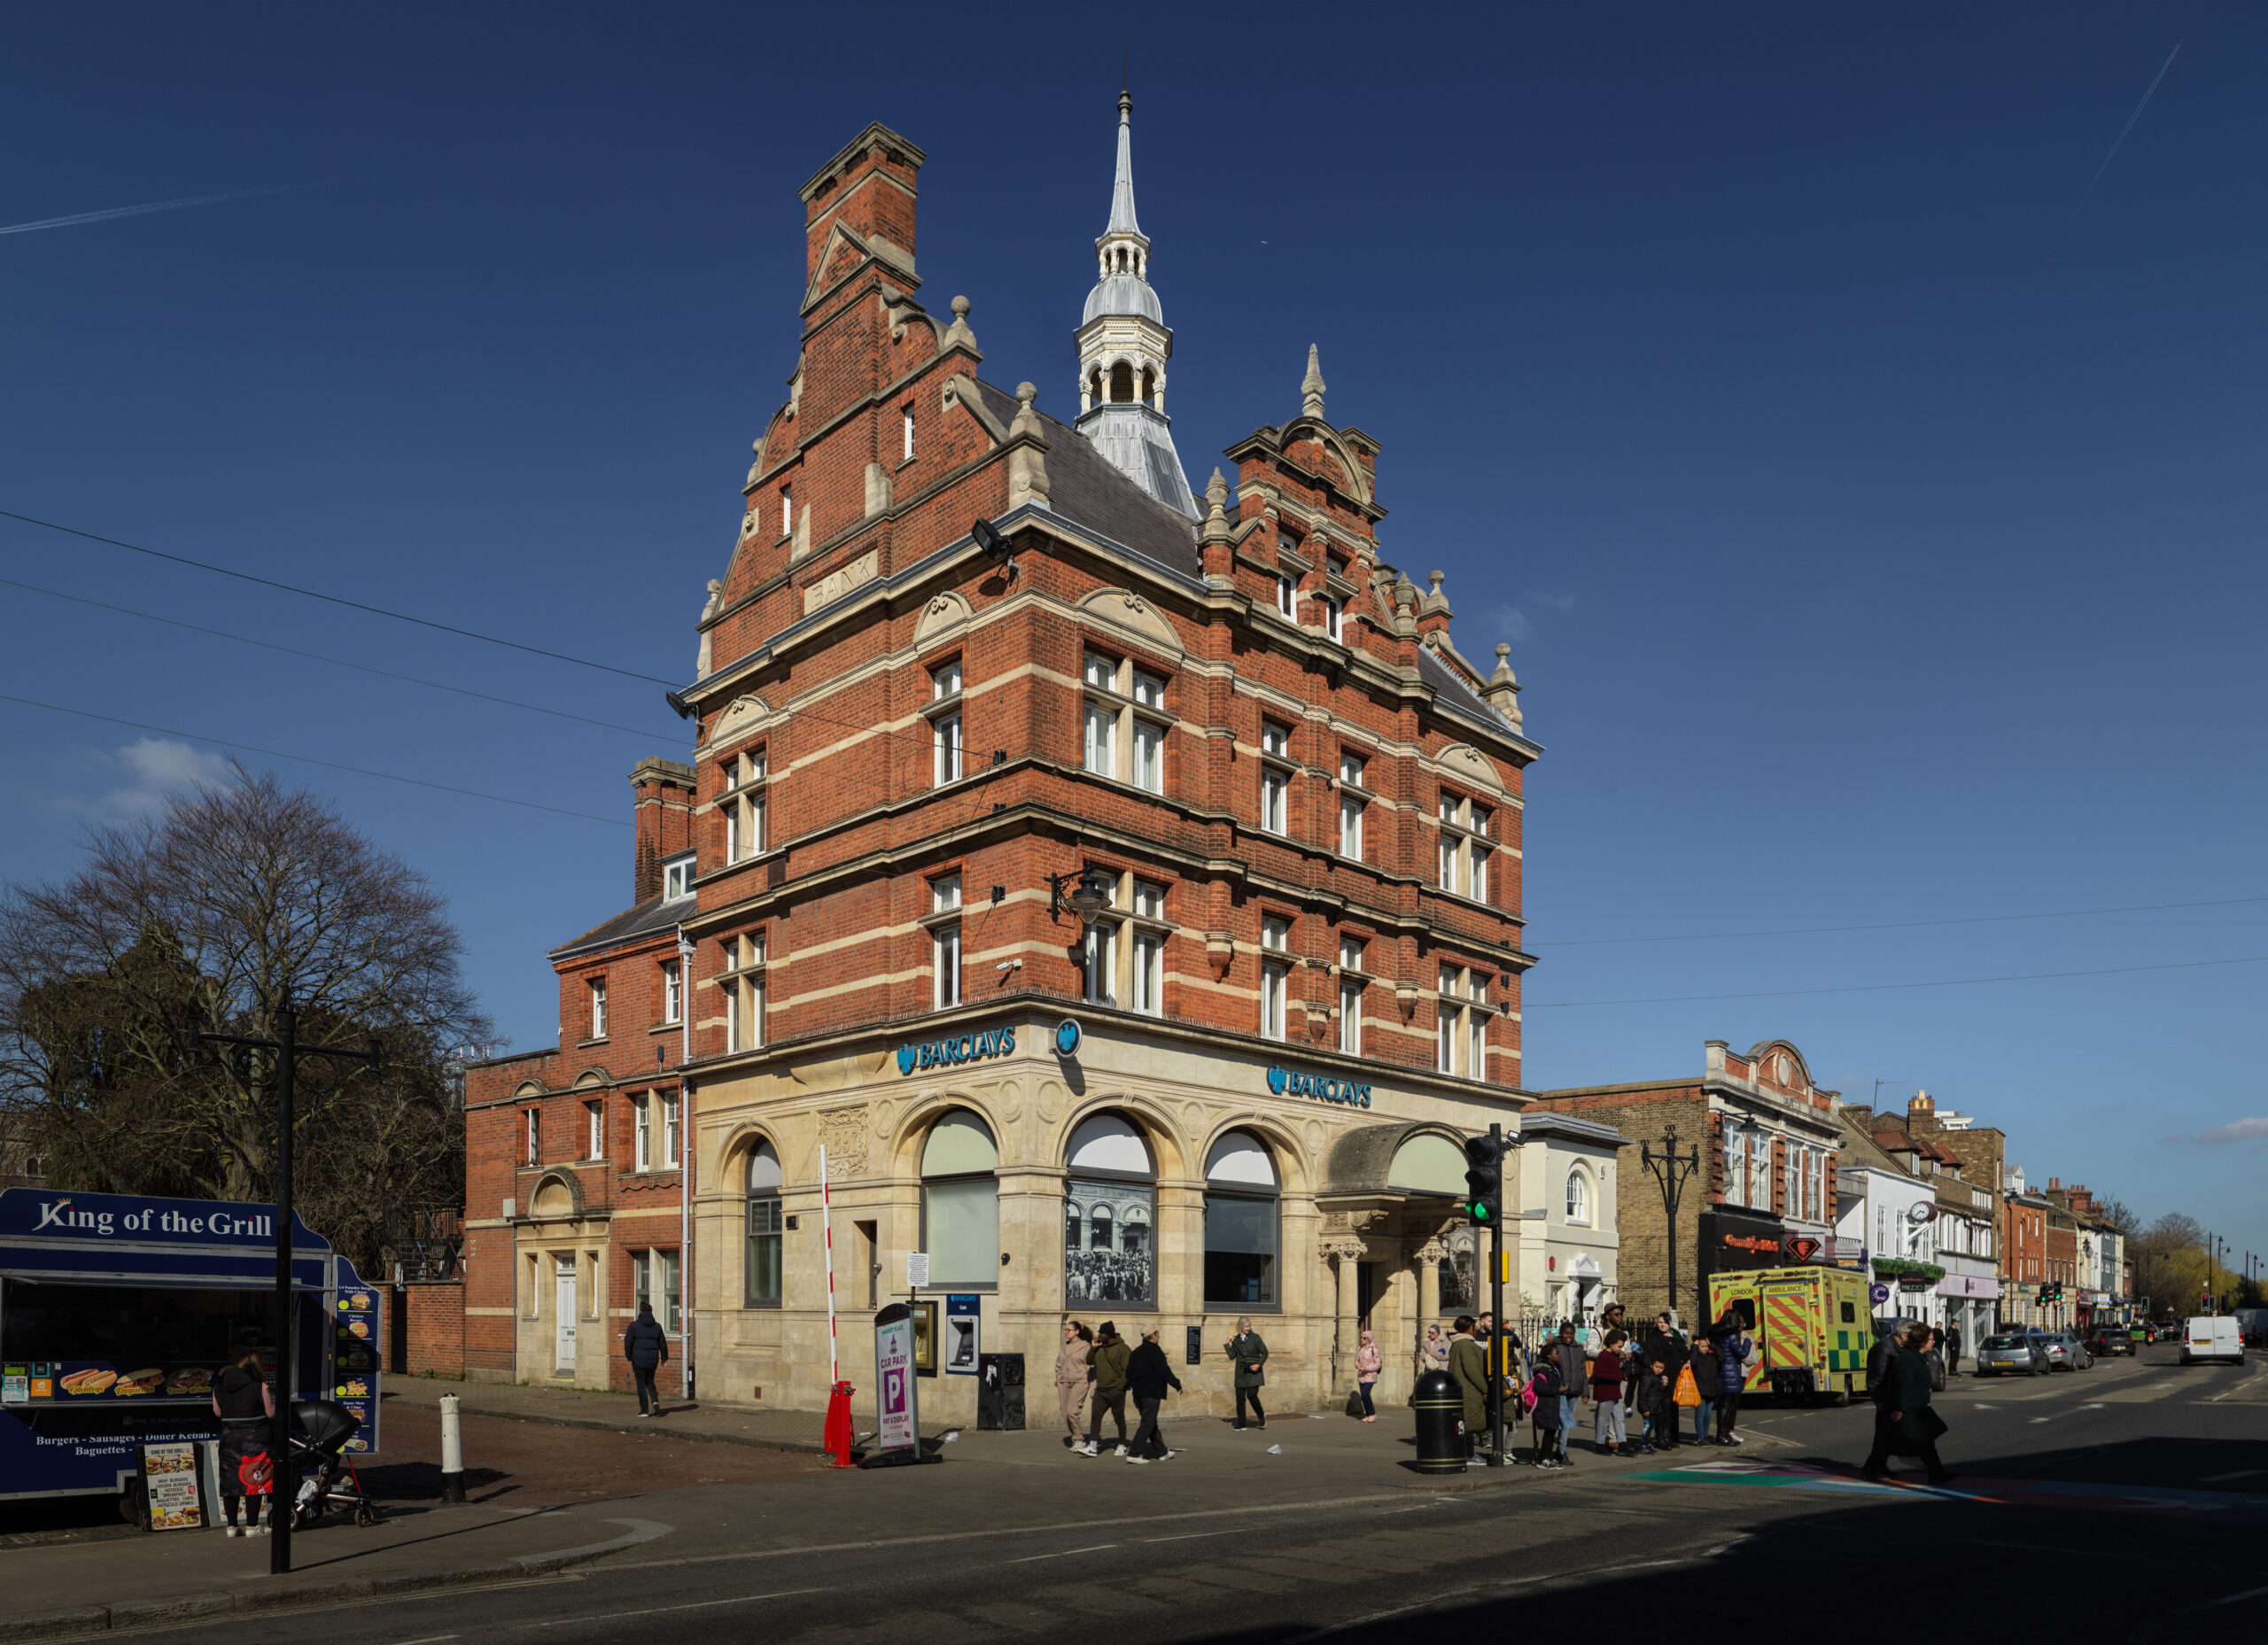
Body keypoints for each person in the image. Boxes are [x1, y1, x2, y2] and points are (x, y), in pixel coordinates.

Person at [1862, 1320, 1952, 1486]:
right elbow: (1879, 1378)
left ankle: (1936, 1473)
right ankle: (1873, 1467)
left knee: (1906, 1440)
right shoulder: (1886, 1350)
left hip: (1910, 1406)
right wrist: (1883, 1402)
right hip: (1896, 1404)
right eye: (1930, 1339)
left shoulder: (1906, 1353)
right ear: (1904, 1335)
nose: (1933, 1341)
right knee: (1890, 1439)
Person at [211, 1349, 274, 1537]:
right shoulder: (260, 1387)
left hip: (229, 1440)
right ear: (254, 1366)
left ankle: (232, 1526)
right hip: (255, 1440)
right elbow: (270, 1413)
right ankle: (252, 1526)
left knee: (231, 1482)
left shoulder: (219, 1388)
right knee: (253, 1480)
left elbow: (218, 1413)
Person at [1125, 1326, 1183, 1462]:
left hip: (1138, 1394)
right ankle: (1134, 1453)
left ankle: (1162, 1452)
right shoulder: (1155, 1352)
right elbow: (1164, 1370)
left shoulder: (1136, 1352)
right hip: (1151, 1393)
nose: (1159, 1337)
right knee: (1147, 1423)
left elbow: (1128, 1373)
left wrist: (1128, 1387)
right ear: (1152, 1335)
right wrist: (1177, 1384)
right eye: (1158, 1334)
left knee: (1151, 1422)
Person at [1082, 1322, 1131, 1455]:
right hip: (1101, 1390)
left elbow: (1128, 1370)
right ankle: (1093, 1447)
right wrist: (1093, 1348)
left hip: (1115, 1390)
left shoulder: (1123, 1349)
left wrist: (1120, 1388)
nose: (1099, 1335)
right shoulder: (1100, 1348)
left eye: (1101, 1333)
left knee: (1119, 1419)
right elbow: (1089, 1361)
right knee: (1095, 1418)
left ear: (1109, 1334)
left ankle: (1121, 1444)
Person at [1448, 1315, 1489, 1459]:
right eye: (1474, 1326)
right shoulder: (1466, 1345)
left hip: (1461, 1388)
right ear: (1469, 1328)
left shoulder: (1457, 1344)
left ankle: (1466, 1453)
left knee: (1463, 1424)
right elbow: (1472, 1370)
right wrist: (1484, 1389)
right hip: (1469, 1390)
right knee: (1469, 1424)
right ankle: (1468, 1455)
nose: (1476, 1329)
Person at [1713, 1310, 1751, 1447]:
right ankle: (1722, 1435)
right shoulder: (1731, 1335)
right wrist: (1747, 1342)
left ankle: (1723, 1435)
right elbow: (1742, 1353)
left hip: (1722, 1371)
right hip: (1730, 1373)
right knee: (1727, 1406)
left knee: (1724, 1405)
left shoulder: (1718, 1333)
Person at [624, 1301, 669, 1417]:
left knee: (641, 1384)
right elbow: (663, 1344)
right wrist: (665, 1358)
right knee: (650, 1381)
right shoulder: (657, 1326)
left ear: (640, 1311)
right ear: (651, 1312)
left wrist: (629, 1356)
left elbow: (628, 1342)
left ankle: (644, 1411)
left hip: (638, 1359)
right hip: (652, 1360)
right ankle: (655, 1403)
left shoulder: (633, 1326)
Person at [1054, 1320, 1095, 1448]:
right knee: (1065, 1413)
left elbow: (1092, 1367)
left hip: (1080, 1382)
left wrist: (1093, 1387)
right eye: (1065, 1330)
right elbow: (1058, 1364)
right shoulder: (1064, 1346)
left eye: (1069, 1330)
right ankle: (1076, 1436)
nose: (1066, 1332)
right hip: (1064, 1382)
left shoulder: (1085, 1346)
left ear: (1077, 1331)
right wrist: (1059, 1379)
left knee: (1072, 1412)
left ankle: (1079, 1439)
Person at [1591, 1329, 1630, 1455]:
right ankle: (1600, 1444)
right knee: (1603, 1420)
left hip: (1615, 1393)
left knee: (1619, 1418)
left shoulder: (1614, 1356)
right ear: (1611, 1343)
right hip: (1605, 1393)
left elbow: (1614, 1372)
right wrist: (1617, 1377)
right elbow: (1597, 1373)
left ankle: (1623, 1443)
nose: (1620, 1349)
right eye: (1619, 1346)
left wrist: (1622, 1375)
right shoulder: (1603, 1355)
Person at [1226, 1317, 1270, 1430]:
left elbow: (1265, 1352)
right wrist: (1227, 1344)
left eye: (1249, 1326)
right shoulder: (1236, 1340)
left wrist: (1259, 1364)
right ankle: (1241, 1424)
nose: (1248, 1328)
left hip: (1254, 1372)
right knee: (1240, 1398)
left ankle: (1261, 1416)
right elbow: (1232, 1356)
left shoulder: (1256, 1338)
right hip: (1241, 1373)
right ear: (1240, 1327)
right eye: (1246, 1326)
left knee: (1252, 1395)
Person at [1529, 1343, 1567, 1469]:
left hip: (1552, 1406)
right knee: (1549, 1433)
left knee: (1551, 1433)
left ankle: (1549, 1457)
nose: (1559, 1355)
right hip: (1546, 1407)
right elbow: (1539, 1387)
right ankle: (1544, 1459)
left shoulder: (1553, 1368)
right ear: (1549, 1356)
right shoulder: (1544, 1370)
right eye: (1557, 1353)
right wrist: (1557, 1390)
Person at [1554, 1323, 1588, 1445]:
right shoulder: (1555, 1347)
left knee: (1567, 1420)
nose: (1569, 1336)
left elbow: (1583, 1371)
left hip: (1574, 1390)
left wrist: (1585, 1392)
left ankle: (1561, 1449)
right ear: (1561, 1333)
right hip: (1560, 1390)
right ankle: (1555, 1447)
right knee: (1559, 1419)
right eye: (1566, 1333)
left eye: (1572, 1334)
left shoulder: (1578, 1349)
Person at [1688, 1328, 1719, 1446]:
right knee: (1700, 1414)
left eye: (1706, 1346)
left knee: (1708, 1414)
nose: (1705, 1348)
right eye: (1702, 1346)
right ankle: (1701, 1437)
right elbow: (1693, 1362)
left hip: (1711, 1390)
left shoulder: (1712, 1357)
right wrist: (1694, 1348)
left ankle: (1705, 1436)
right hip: (1700, 1391)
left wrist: (1713, 1346)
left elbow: (1723, 1358)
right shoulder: (1696, 1356)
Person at [1354, 1330, 1382, 1421]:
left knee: (1366, 1394)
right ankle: (1368, 1414)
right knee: (1363, 1395)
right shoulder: (1359, 1348)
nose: (1362, 1339)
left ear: (1369, 1339)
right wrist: (1357, 1365)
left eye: (1364, 1338)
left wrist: (1366, 1368)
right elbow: (1356, 1360)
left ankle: (1372, 1414)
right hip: (1361, 1375)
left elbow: (1378, 1365)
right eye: (1361, 1337)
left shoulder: (1374, 1349)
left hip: (1370, 1375)